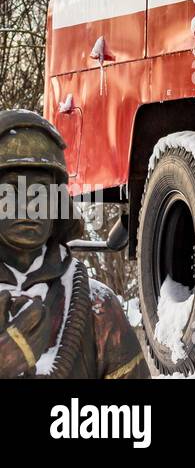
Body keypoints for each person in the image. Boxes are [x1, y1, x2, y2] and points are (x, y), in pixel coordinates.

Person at [0, 109, 147, 378]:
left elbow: (131, 417)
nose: (29, 206)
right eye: (11, 190)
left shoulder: (97, 306)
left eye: (41, 192)